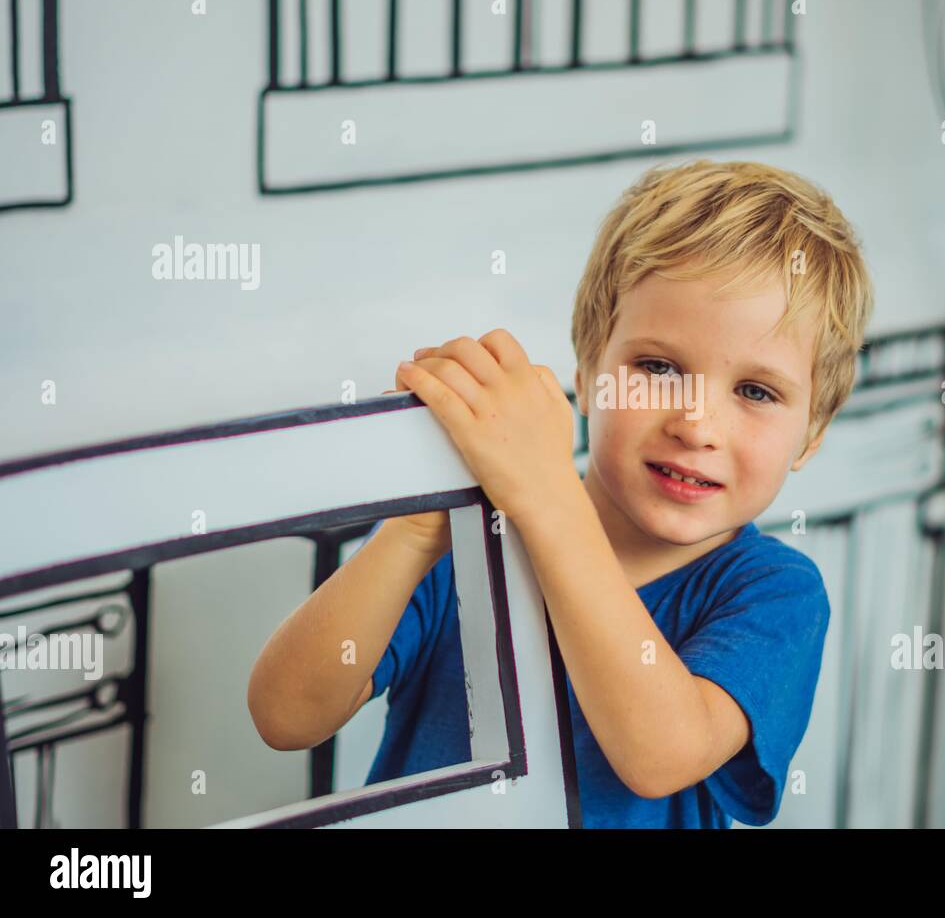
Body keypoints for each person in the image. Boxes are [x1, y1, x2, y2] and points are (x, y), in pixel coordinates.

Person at [248, 159, 875, 827]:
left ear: (811, 434)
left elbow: (660, 753)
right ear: (587, 366)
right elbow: (286, 716)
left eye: (755, 392)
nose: (696, 425)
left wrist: (545, 493)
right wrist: (413, 533)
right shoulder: (468, 542)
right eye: (658, 367)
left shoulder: (774, 592)